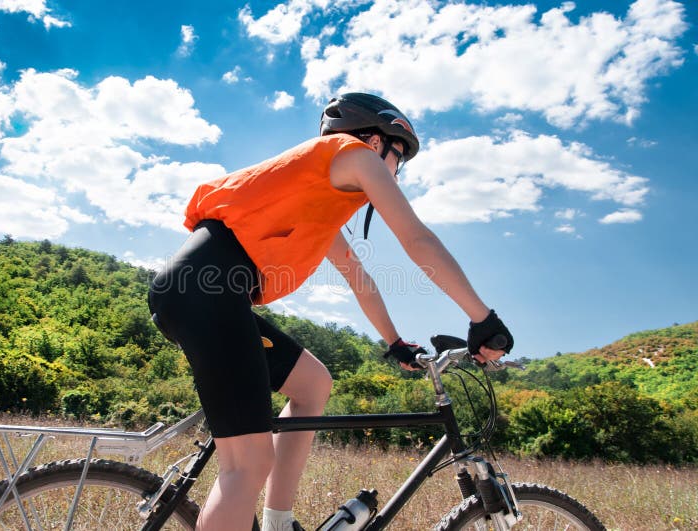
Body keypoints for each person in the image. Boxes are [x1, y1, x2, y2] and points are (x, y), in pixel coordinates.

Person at [147, 93, 513, 531]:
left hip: (203, 293)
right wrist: (482, 318)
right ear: (378, 142)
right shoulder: (355, 155)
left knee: (313, 383)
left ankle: (277, 523)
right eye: (400, 158)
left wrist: (394, 342)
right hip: (207, 292)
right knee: (247, 464)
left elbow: (360, 279)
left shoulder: (319, 200)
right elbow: (417, 240)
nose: (397, 172)